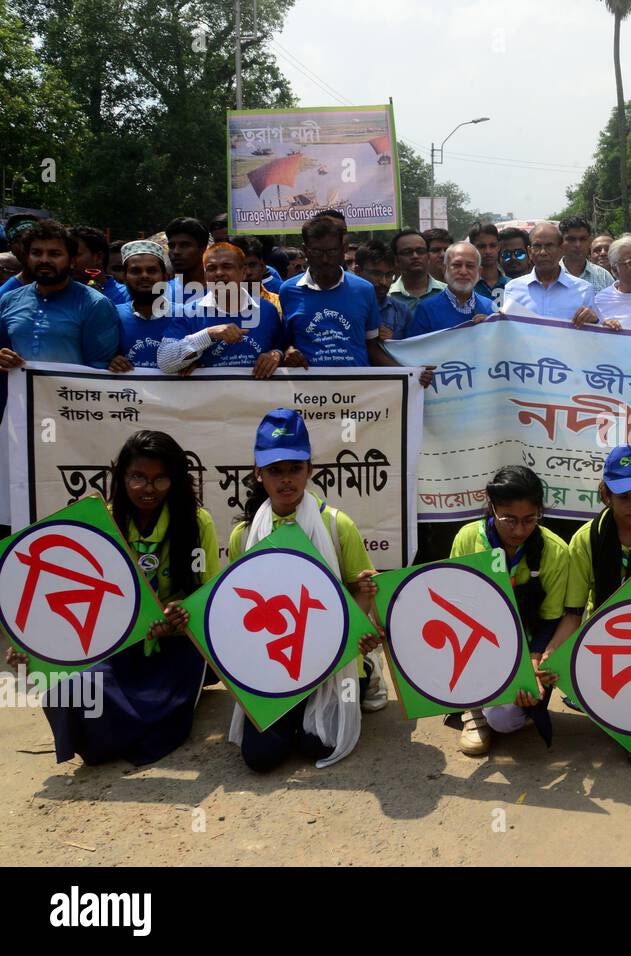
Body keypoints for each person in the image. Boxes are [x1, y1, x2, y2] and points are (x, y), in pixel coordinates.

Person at [5, 431, 220, 765]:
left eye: (160, 479)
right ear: (120, 475)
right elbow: (66, 599)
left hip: (176, 647)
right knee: (72, 686)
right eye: (138, 477)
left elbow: (209, 600)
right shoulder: (99, 522)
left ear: (176, 481)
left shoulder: (197, 523)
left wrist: (180, 615)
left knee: (158, 701)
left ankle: (128, 727)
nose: (148, 489)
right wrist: (32, 645)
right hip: (115, 646)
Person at [227, 408, 386, 772]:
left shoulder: (335, 526)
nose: (286, 480)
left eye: (295, 469)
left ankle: (364, 678)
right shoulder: (244, 537)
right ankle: (292, 714)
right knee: (260, 758)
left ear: (309, 470)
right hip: (275, 660)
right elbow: (236, 610)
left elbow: (362, 594)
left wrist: (360, 625)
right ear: (258, 473)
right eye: (275, 471)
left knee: (318, 746)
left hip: (332, 659)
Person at [448, 466, 571, 755]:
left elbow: (553, 619)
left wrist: (532, 663)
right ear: (491, 508)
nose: (519, 530)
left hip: (531, 648)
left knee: (504, 720)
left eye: (530, 520)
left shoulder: (555, 551)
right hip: (476, 641)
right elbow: (453, 603)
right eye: (508, 520)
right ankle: (471, 708)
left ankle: (505, 706)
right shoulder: (468, 539)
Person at [540, 446, 631, 658]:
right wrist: (551, 652)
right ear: (606, 495)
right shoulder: (585, 538)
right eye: (625, 497)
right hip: (599, 638)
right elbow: (574, 612)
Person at [0, 219, 119, 370]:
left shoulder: (94, 304)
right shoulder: (9, 300)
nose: (44, 260)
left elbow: (100, 368)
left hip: (74, 393)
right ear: (27, 258)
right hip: (21, 392)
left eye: (54, 254)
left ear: (72, 261)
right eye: (36, 253)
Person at [157, 242, 285, 377]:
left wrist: (276, 354)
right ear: (205, 276)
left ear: (243, 271)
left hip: (258, 397)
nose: (219, 273)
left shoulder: (267, 310)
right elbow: (165, 362)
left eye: (227, 266)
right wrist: (209, 334)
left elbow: (283, 347)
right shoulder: (188, 312)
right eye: (211, 268)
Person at [278, 215, 383, 368]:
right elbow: (286, 342)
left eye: (332, 251)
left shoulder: (364, 290)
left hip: (357, 389)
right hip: (308, 389)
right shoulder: (288, 290)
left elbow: (372, 348)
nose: (325, 259)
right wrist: (288, 352)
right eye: (317, 252)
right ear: (305, 250)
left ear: (343, 249)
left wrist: (412, 374)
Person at [501, 223, 597, 323]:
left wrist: (593, 321)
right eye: (537, 246)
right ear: (529, 252)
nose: (543, 252)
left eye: (549, 246)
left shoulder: (584, 290)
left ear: (561, 250)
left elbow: (595, 334)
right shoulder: (512, 289)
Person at [407, 241, 495, 336]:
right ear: (445, 269)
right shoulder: (426, 310)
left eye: (470, 266)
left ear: (479, 272)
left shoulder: (490, 308)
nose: (463, 272)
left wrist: (491, 328)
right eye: (457, 265)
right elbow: (415, 349)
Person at [111, 240, 172, 370]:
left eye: (152, 270)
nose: (144, 276)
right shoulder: (112, 315)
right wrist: (110, 361)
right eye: (136, 271)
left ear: (165, 277)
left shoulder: (184, 315)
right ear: (124, 277)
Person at [354, 240, 411, 342]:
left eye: (389, 275)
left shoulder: (401, 311)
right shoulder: (344, 305)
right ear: (358, 271)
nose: (383, 282)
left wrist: (392, 341)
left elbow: (410, 351)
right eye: (376, 274)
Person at [71, 226, 131, 306]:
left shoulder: (128, 296)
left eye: (75, 255)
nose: (69, 260)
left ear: (98, 257)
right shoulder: (55, 293)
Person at [388, 228, 446, 311]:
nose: (415, 256)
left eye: (420, 251)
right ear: (396, 260)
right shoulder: (387, 296)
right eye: (407, 252)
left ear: (428, 256)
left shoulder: (448, 293)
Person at [163, 217, 210, 312]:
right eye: (171, 246)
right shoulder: (162, 293)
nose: (176, 252)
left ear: (203, 249)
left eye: (184, 245)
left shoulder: (223, 292)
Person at [559, 216, 615, 291]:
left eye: (582, 239)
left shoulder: (603, 276)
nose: (578, 245)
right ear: (561, 242)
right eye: (571, 239)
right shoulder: (550, 274)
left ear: (589, 241)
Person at [469, 222, 508, 302]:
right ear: (472, 248)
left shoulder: (511, 284)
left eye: (492, 245)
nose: (488, 251)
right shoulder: (466, 285)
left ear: (499, 246)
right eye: (482, 246)